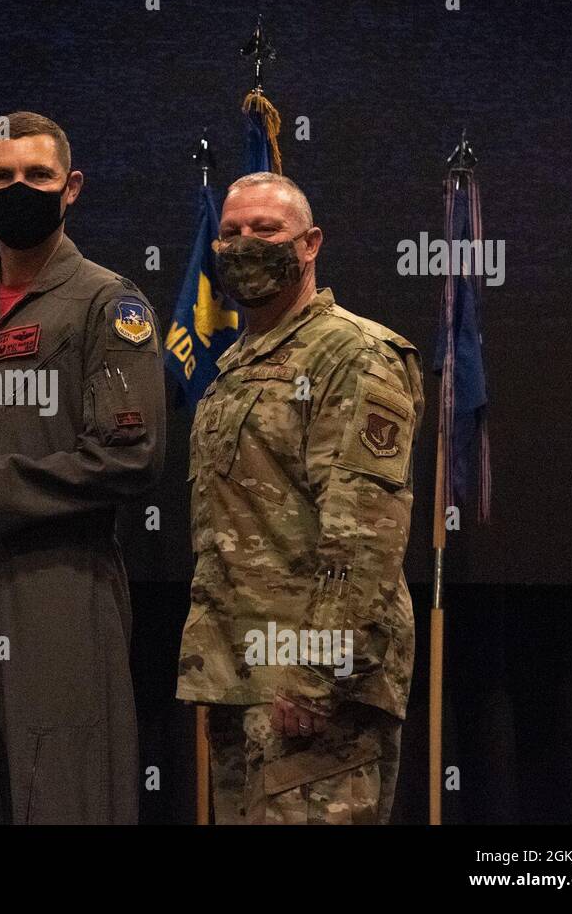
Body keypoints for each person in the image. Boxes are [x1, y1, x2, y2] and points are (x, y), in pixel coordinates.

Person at [0, 111, 166, 824]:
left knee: (65, 796)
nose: (20, 188)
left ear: (71, 187)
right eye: (2, 177)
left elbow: (130, 454)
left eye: (38, 176)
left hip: (62, 585)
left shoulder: (109, 305)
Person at [177, 172, 423, 824]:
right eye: (231, 233)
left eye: (266, 231)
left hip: (314, 698)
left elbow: (365, 534)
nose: (245, 245)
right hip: (242, 684)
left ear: (310, 243)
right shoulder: (236, 365)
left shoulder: (356, 353)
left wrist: (316, 678)